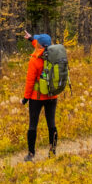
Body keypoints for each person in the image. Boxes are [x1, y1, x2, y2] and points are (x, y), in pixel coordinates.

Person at [21, 31, 58, 161]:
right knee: (51, 124)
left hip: (36, 98)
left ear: (40, 46)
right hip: (52, 96)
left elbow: (30, 82)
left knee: (33, 125)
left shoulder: (34, 60)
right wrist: (31, 38)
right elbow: (40, 45)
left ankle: (31, 154)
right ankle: (52, 152)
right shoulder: (55, 56)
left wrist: (25, 98)